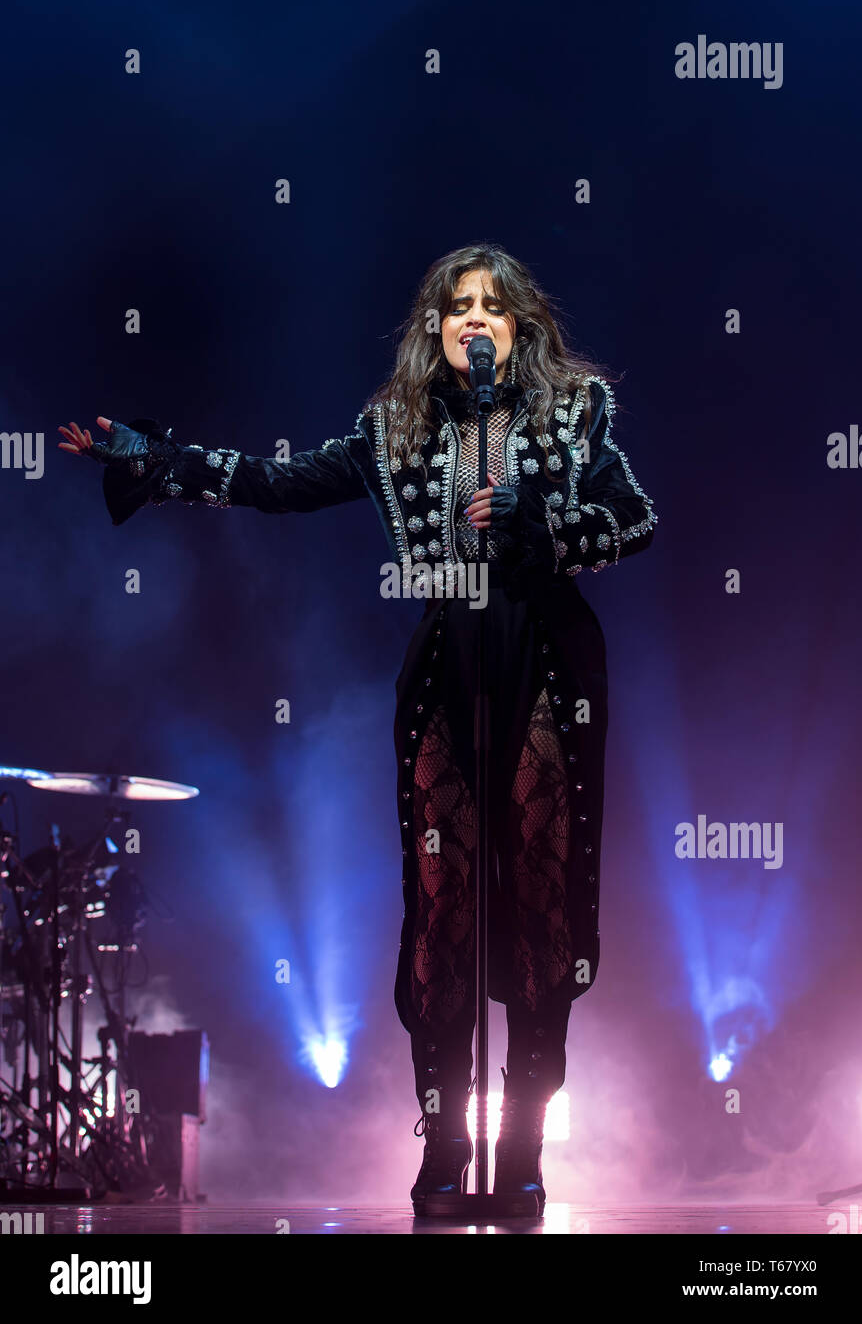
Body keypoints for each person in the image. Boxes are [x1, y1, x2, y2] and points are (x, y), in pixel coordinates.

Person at [59, 242, 657, 1213]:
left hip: (545, 660)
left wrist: (545, 529)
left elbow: (637, 518)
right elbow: (276, 482)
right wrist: (152, 459)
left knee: (544, 903)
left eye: (493, 307)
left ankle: (527, 1147)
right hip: (446, 662)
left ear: (521, 327)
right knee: (442, 904)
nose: (474, 319)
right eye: (456, 305)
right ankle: (446, 1145)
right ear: (434, 326)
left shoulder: (574, 416)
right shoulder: (393, 431)